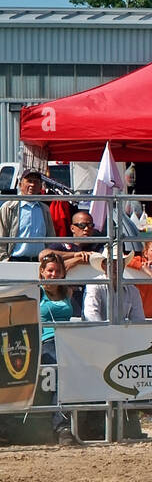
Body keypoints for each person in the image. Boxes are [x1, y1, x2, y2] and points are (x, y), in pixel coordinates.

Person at [36, 252, 78, 446]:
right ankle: (61, 426)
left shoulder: (67, 292)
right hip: (47, 342)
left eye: (57, 271)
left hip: (68, 341)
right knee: (62, 372)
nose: (53, 274)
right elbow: (42, 254)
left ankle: (65, 425)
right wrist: (79, 255)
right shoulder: (37, 292)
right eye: (49, 270)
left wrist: (79, 259)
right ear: (42, 272)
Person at [0, 169, 57, 261]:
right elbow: (1, 235)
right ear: (20, 184)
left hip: (40, 261)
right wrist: (4, 259)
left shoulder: (44, 209)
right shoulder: (8, 207)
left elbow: (50, 237)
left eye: (36, 182)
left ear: (40, 187)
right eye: (29, 181)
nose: (32, 185)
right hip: (15, 260)